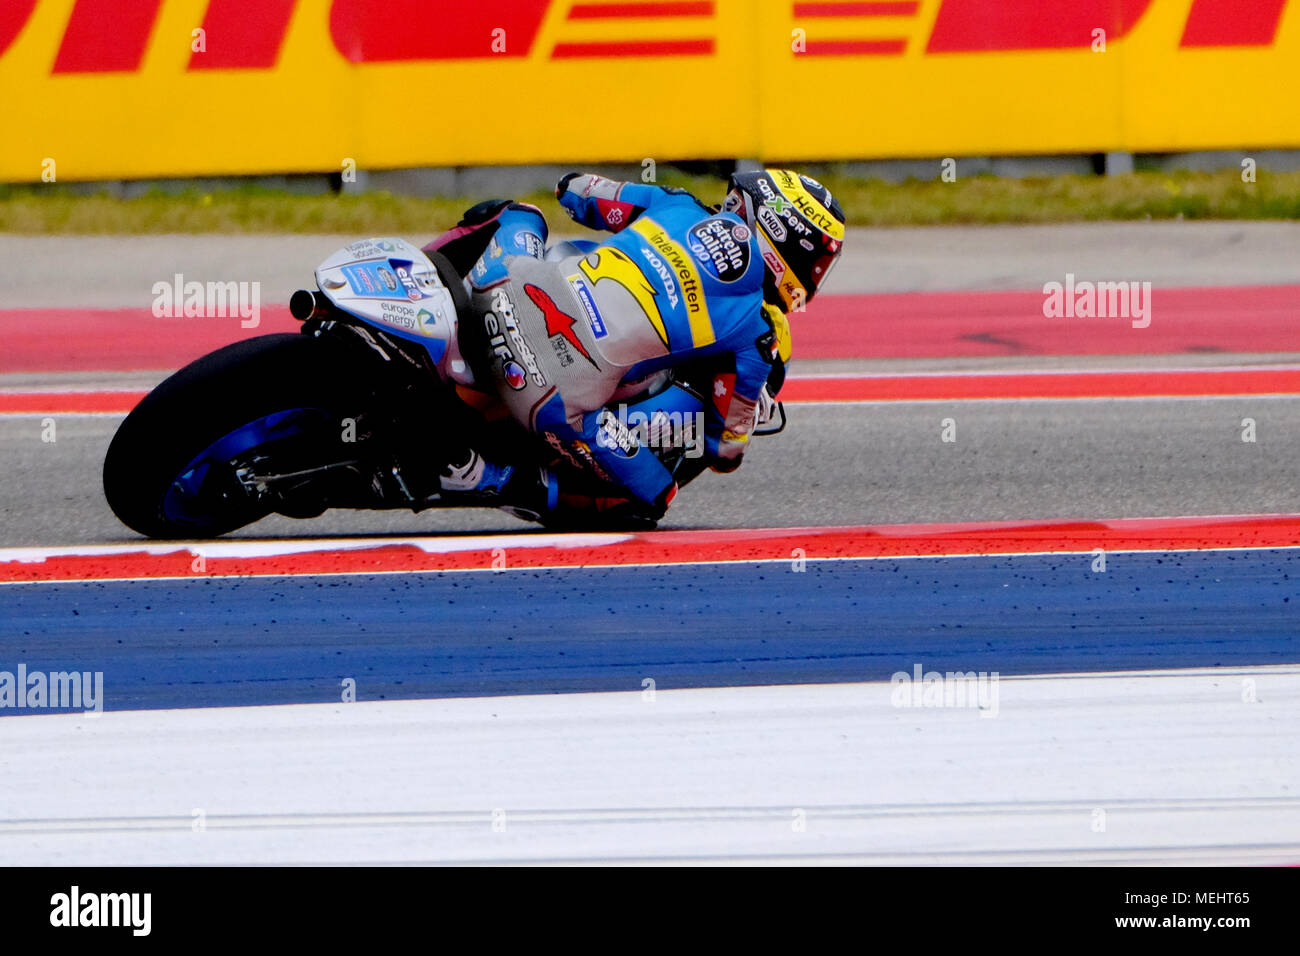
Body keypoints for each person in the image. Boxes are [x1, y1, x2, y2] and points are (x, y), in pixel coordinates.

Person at [422, 168, 845, 525]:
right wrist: (744, 422)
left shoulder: (676, 203)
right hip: (547, 395)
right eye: (817, 265)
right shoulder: (756, 331)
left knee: (515, 214)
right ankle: (487, 475)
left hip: (499, 287)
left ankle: (422, 274)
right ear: (787, 243)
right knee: (653, 497)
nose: (813, 278)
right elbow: (725, 449)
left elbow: (576, 192)